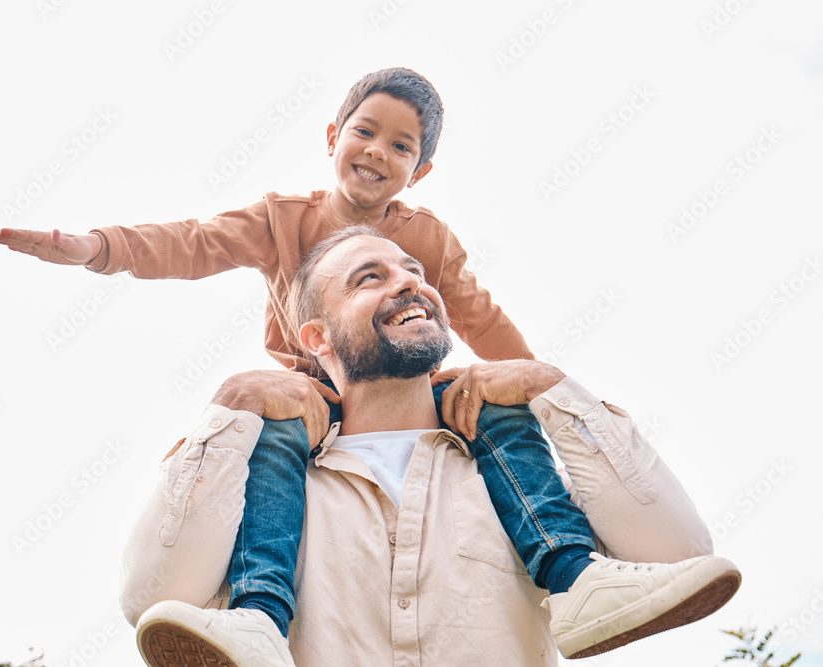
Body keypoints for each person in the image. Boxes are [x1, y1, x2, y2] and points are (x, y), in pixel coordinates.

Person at [0, 68, 723, 658]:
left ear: (421, 168)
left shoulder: (426, 236)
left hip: (411, 384)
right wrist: (97, 249)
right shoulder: (284, 218)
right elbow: (193, 241)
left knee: (490, 406)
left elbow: (476, 313)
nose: (377, 150)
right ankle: (259, 613)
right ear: (334, 135)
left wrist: (529, 380)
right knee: (275, 438)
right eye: (366, 131)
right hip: (306, 396)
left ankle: (576, 576)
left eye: (401, 145)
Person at [121, 228, 741, 666]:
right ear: (317, 337)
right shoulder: (268, 487)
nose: (410, 285)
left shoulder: (517, 474)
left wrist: (552, 386)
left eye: (415, 274)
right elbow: (153, 602)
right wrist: (232, 403)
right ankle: (262, 617)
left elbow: (675, 551)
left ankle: (574, 579)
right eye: (371, 278)